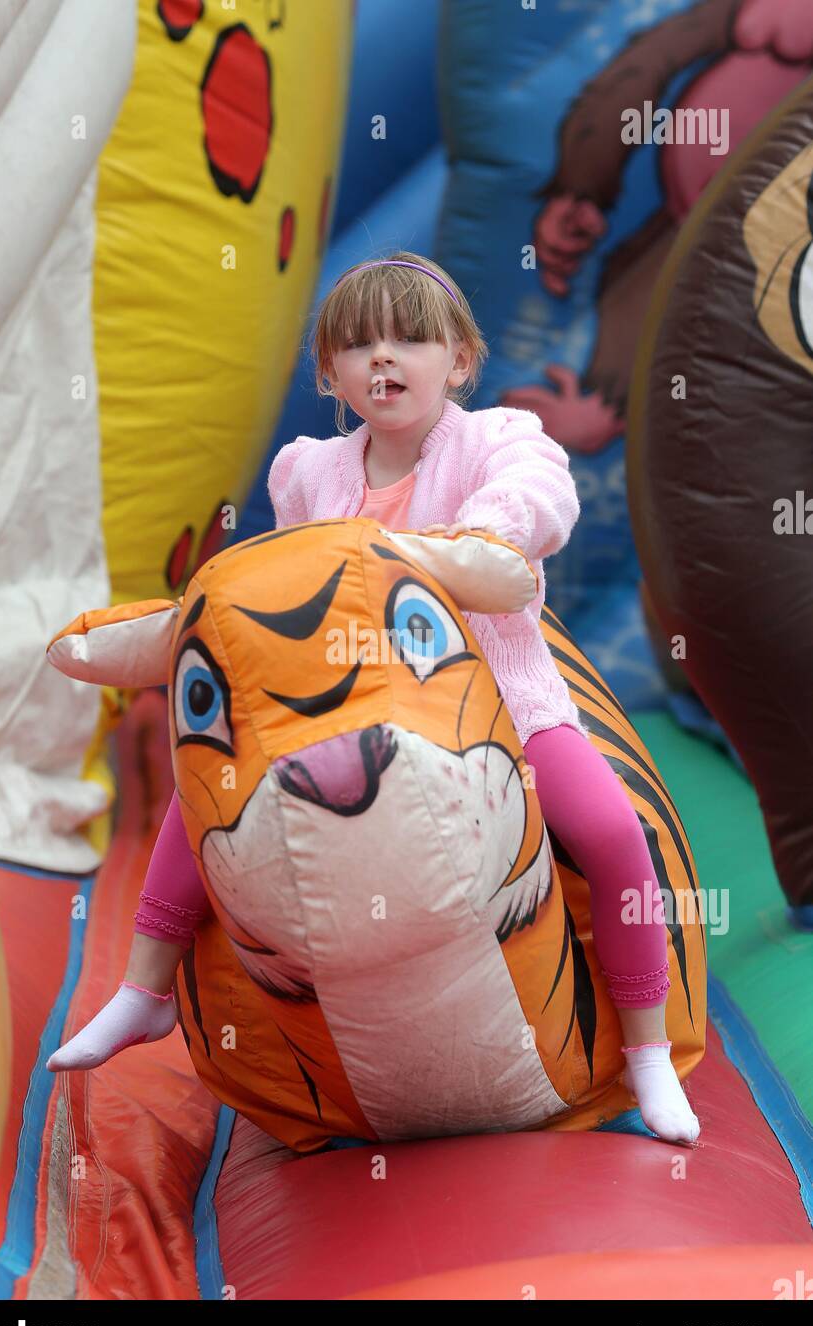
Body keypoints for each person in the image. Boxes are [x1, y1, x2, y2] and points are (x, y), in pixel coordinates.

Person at [47, 252, 700, 1146]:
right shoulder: (309, 474)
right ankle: (144, 991)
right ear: (331, 375)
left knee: (615, 833)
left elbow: (536, 501)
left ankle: (648, 1048)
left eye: (409, 339)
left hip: (493, 707)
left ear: (458, 361)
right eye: (358, 347)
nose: (382, 359)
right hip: (339, 708)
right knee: (204, 809)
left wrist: (468, 545)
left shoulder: (498, 442)